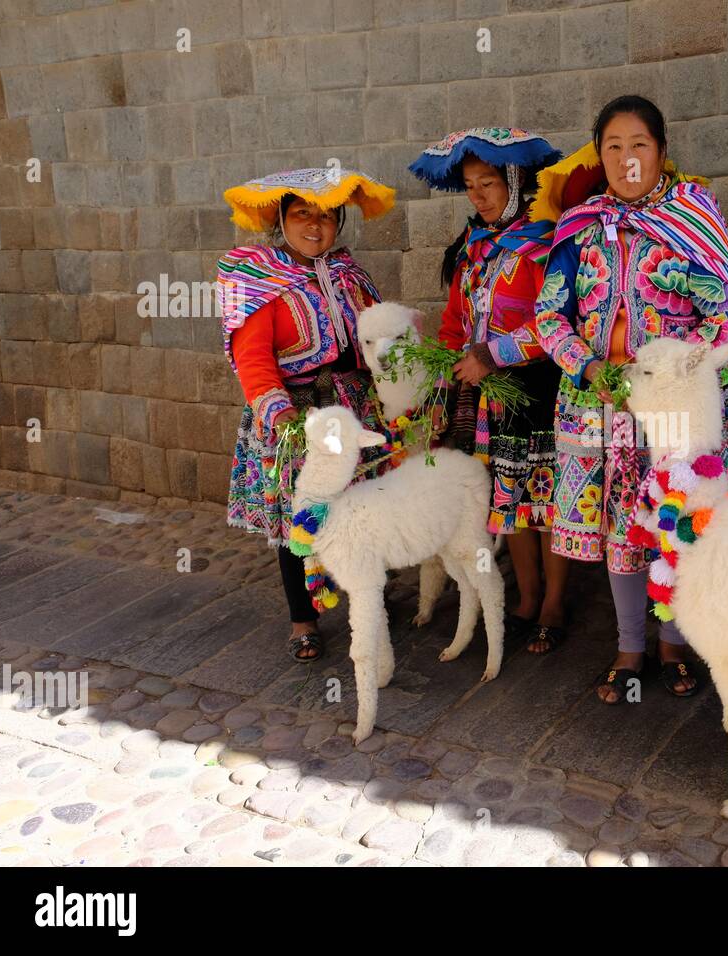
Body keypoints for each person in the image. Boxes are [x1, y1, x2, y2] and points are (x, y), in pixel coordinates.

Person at [471, 95, 728, 703]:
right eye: (613, 147)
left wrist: (674, 367)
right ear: (599, 156)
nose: (627, 159)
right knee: (621, 528)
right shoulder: (580, 227)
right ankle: (630, 646)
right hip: (598, 405)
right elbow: (552, 317)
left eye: (639, 146)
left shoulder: (693, 217)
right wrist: (589, 364)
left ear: (661, 151)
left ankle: (675, 643)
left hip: (675, 410)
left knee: (679, 520)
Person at [218, 167, 397, 662]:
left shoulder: (349, 272)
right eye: (302, 214)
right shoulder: (257, 277)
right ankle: (304, 620)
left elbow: (375, 338)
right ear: (282, 218)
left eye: (325, 216)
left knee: (362, 511)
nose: (315, 225)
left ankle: (368, 602)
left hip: (354, 408)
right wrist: (281, 419)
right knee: (302, 519)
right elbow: (252, 357)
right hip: (298, 415)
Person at [409, 128, 572, 653]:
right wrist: (442, 373)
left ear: (516, 182)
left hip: (541, 387)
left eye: (488, 184)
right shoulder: (472, 250)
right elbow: (456, 322)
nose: (478, 196)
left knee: (544, 499)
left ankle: (554, 603)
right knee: (509, 500)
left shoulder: (545, 243)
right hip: (491, 396)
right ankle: (526, 596)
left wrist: (494, 354)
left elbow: (558, 320)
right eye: (471, 186)